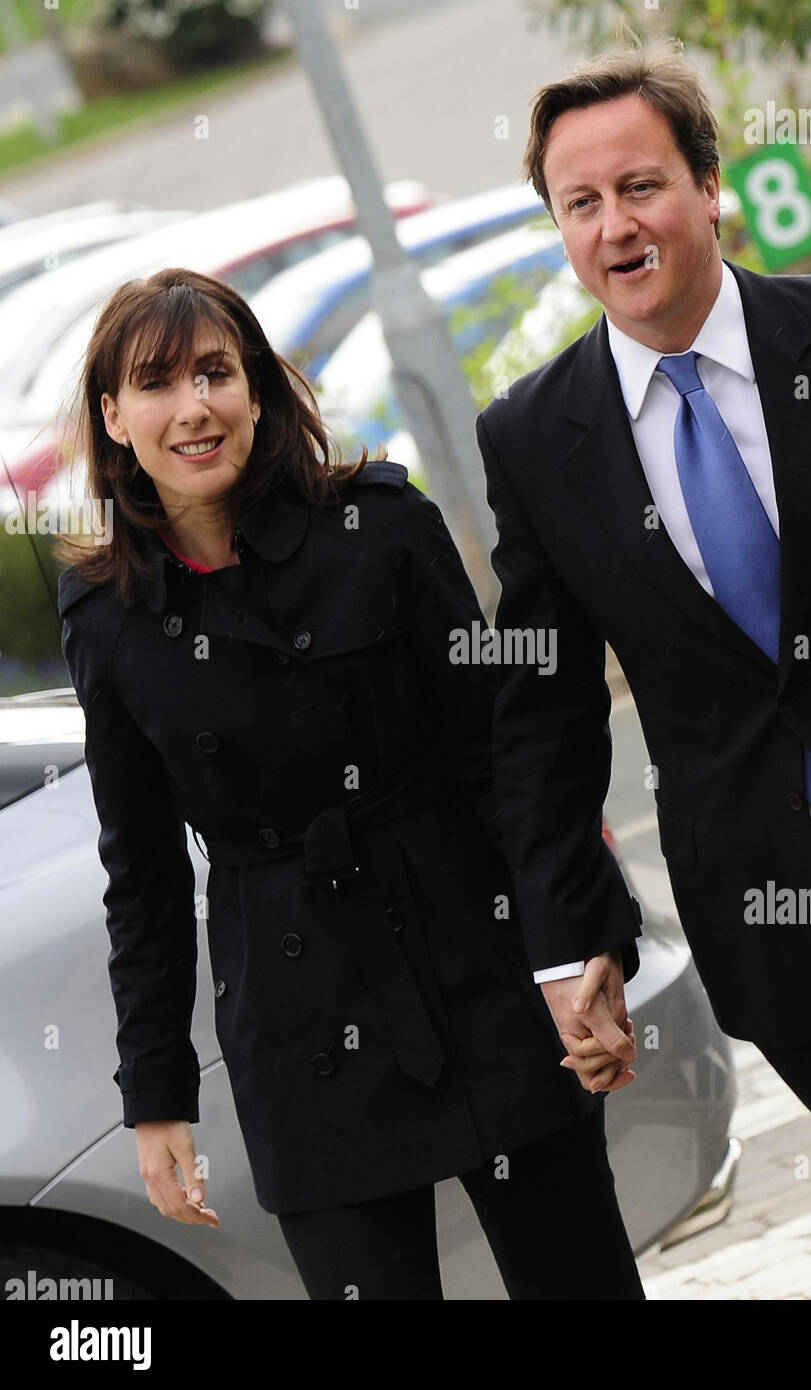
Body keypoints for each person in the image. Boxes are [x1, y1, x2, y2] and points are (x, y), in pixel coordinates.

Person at [476, 42, 811, 1286]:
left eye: (642, 186)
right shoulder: (535, 439)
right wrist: (567, 944)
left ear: (708, 186)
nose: (616, 225)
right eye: (581, 203)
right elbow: (540, 717)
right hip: (775, 919)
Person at [55, 265, 645, 1301]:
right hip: (297, 1026)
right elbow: (140, 874)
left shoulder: (377, 523)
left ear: (257, 389)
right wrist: (156, 1095)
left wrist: (581, 943)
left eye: (214, 373)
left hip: (473, 962)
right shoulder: (107, 616)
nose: (192, 407)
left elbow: (499, 758)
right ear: (113, 415)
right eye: (155, 383)